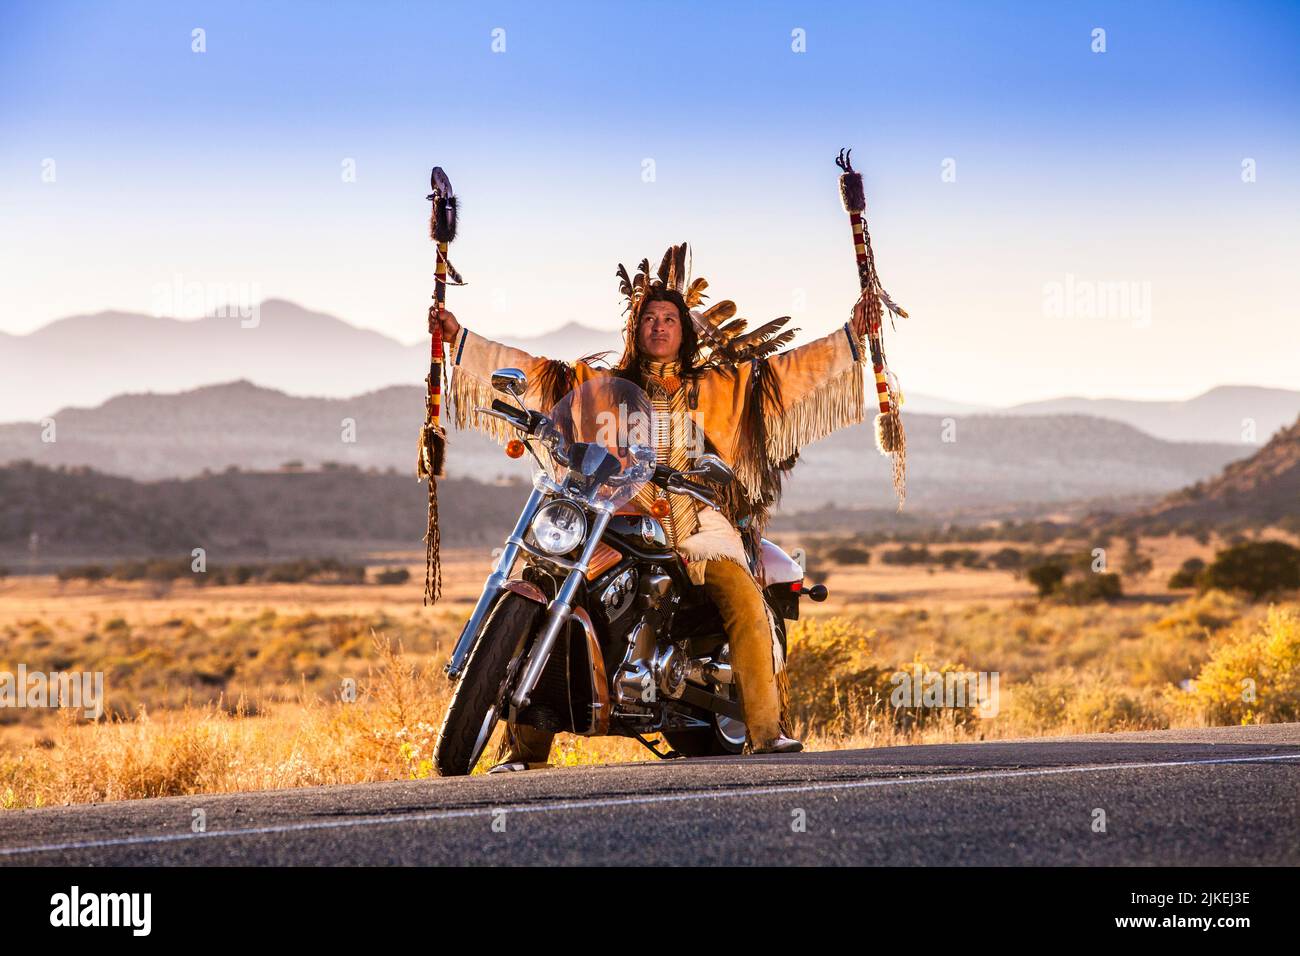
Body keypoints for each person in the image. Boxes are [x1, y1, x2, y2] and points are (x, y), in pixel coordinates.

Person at [437, 245, 873, 767]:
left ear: (684, 332)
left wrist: (851, 336)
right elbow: (530, 372)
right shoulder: (592, 385)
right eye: (649, 318)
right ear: (635, 328)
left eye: (669, 319)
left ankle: (766, 731)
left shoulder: (722, 387)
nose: (659, 327)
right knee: (552, 587)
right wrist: (458, 338)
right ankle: (526, 750)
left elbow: (790, 371)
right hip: (610, 515)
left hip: (696, 523)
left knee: (743, 600)